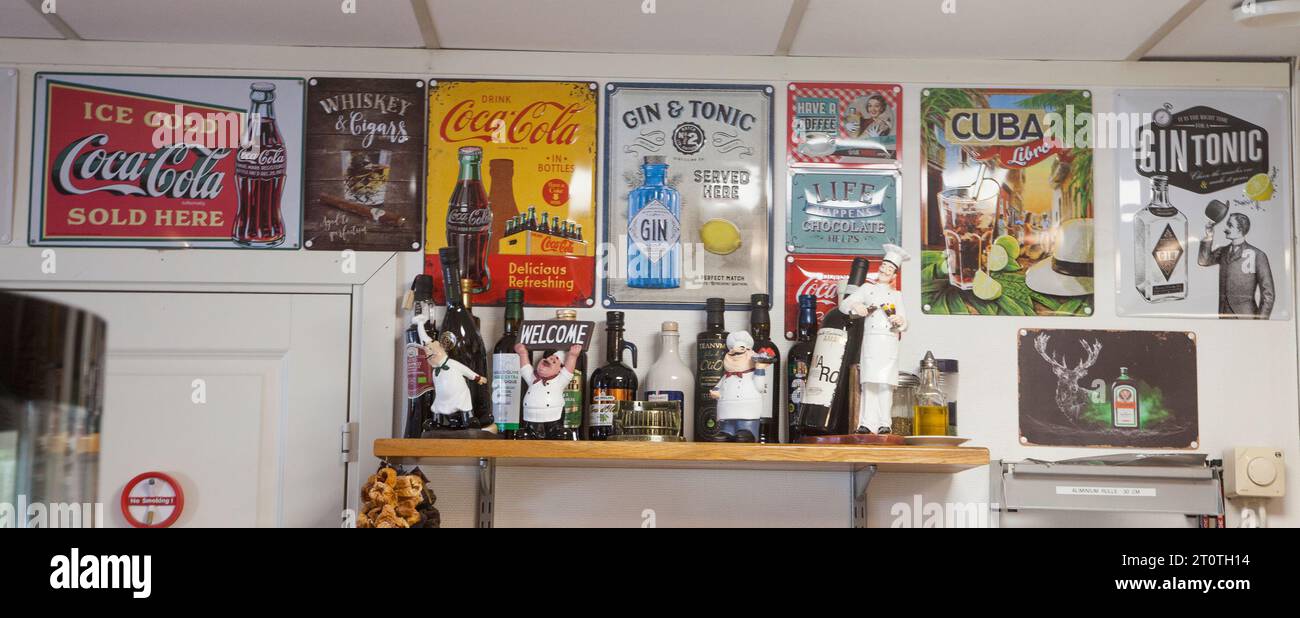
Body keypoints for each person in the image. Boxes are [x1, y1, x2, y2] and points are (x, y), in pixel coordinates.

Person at [840, 244, 909, 434]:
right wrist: (856, 306)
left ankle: (884, 423)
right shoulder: (866, 289)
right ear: (879, 268)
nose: (885, 271)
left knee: (886, 384)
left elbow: (905, 323)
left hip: (889, 342)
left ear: (894, 275)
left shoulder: (896, 295)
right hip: (871, 341)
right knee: (869, 382)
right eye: (884, 266)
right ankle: (866, 423)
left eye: (890, 269)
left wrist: (899, 320)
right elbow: (844, 305)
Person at [1198, 212, 1274, 319]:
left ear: (1240, 230)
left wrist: (1260, 322)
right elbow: (1203, 261)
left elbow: (1268, 295)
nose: (1225, 229)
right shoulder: (1222, 251)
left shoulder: (1258, 254)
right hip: (1224, 314)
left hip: (1247, 317)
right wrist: (1209, 236)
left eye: (1230, 225)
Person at [709, 331, 771, 443]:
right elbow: (718, 387)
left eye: (740, 350)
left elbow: (760, 387)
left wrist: (760, 369)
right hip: (726, 411)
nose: (734, 353)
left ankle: (747, 431)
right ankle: (727, 431)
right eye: (732, 350)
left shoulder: (752, 374)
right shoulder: (726, 376)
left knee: (744, 428)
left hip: (747, 411)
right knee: (727, 424)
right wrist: (715, 392)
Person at [516, 343, 582, 439]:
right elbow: (525, 368)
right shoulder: (532, 378)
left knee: (562, 435)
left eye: (554, 362)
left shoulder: (559, 381)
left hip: (554, 420)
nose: (551, 360)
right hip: (531, 420)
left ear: (560, 370)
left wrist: (572, 356)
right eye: (549, 358)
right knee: (522, 435)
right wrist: (523, 354)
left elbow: (568, 371)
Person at [424, 340, 487, 431]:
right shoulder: (435, 371)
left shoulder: (452, 363)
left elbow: (466, 370)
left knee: (464, 405)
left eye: (431, 349)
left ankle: (468, 419)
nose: (429, 354)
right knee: (437, 407)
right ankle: (437, 422)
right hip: (441, 398)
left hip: (459, 394)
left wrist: (477, 378)